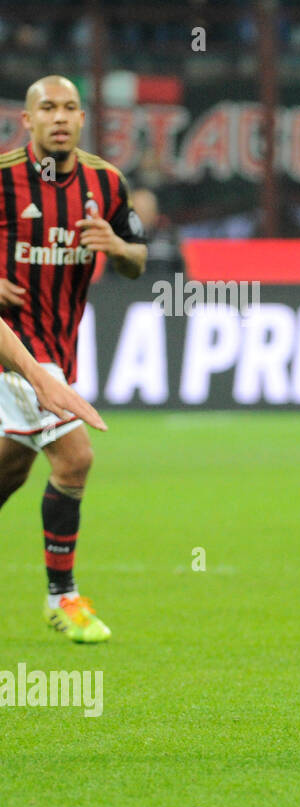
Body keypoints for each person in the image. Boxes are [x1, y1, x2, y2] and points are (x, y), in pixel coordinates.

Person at [0, 75, 147, 642]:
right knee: (75, 457)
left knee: (10, 466)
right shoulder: (4, 179)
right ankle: (62, 597)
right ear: (27, 120)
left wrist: (118, 247)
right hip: (15, 350)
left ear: (82, 119)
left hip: (62, 346)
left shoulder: (106, 183)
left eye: (69, 108)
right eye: (47, 108)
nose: (59, 117)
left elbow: (138, 258)